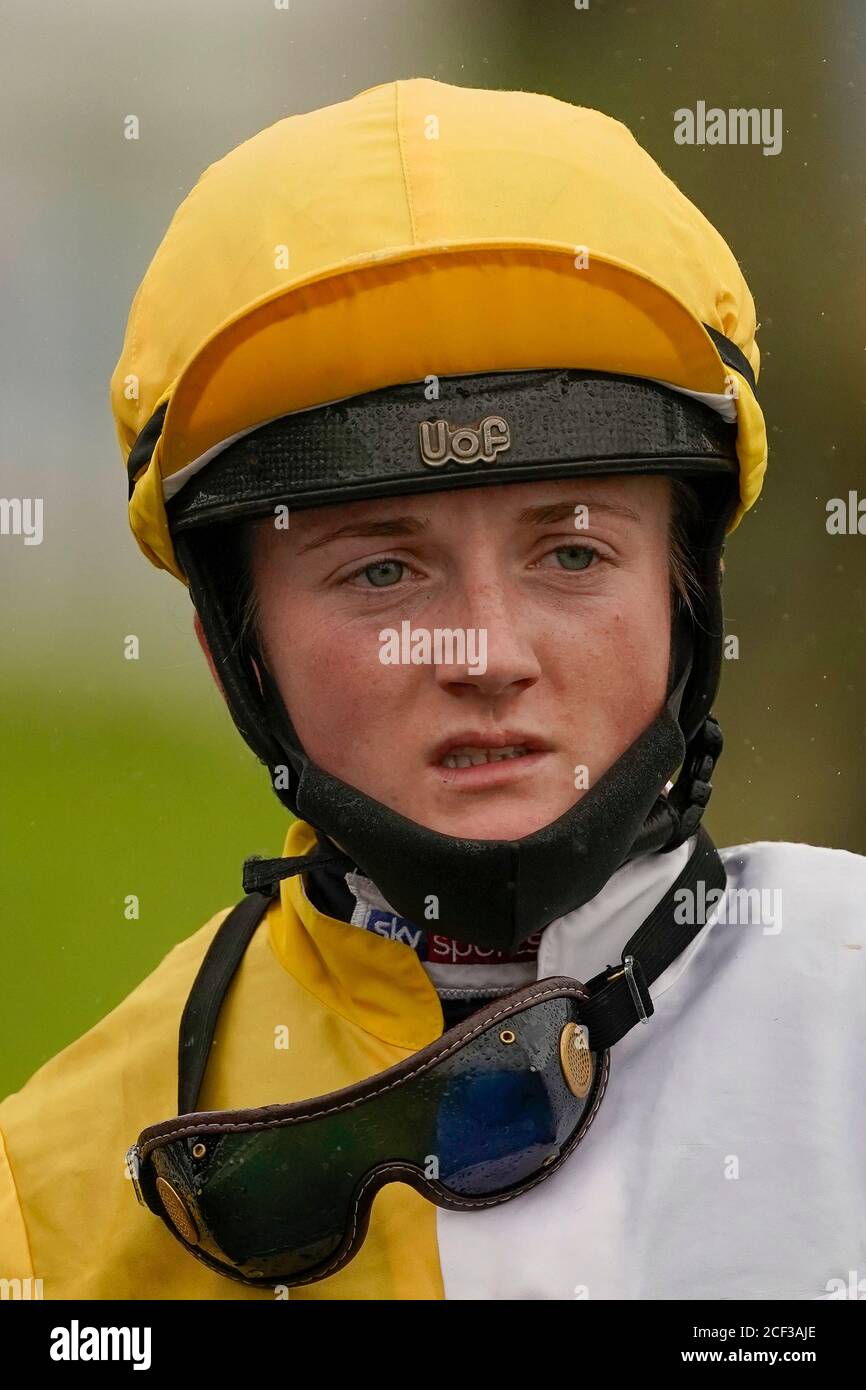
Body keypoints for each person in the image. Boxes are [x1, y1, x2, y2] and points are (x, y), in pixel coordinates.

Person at [1, 77, 863, 1302]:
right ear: (228, 651)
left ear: (682, 594)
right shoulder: (51, 1200)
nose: (483, 650)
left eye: (570, 553)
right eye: (383, 571)